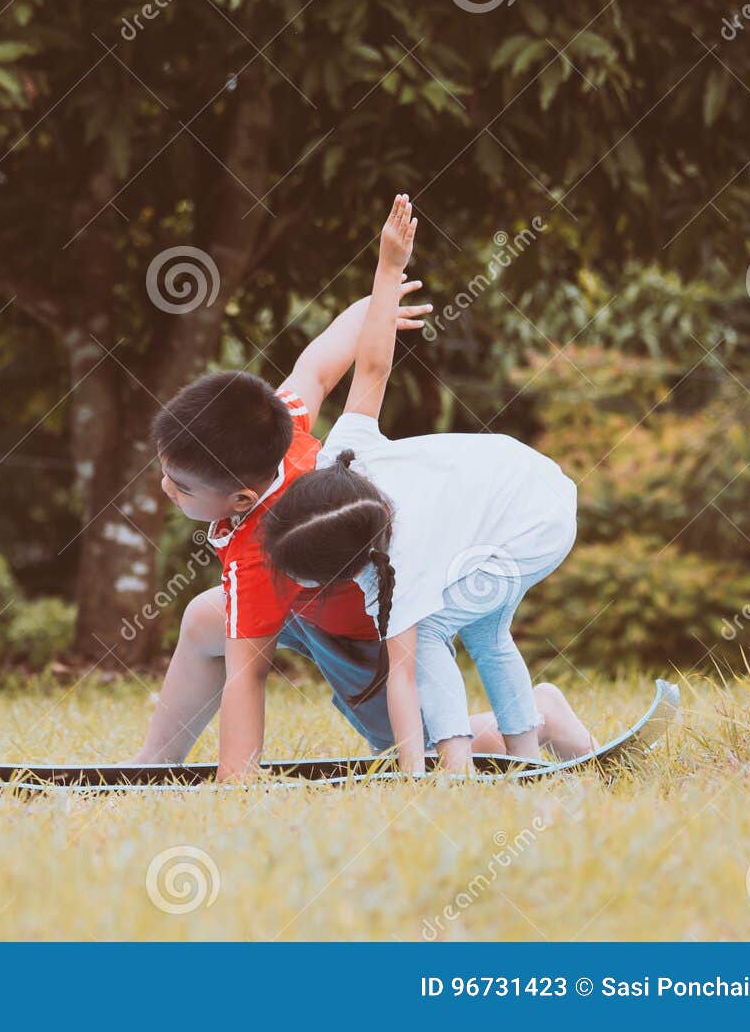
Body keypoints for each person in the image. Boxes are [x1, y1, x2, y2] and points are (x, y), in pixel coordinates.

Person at [261, 195, 594, 773]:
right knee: (488, 631)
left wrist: (419, 774)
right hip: (523, 483)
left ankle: (458, 769)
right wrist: (388, 266)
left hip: (530, 518)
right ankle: (526, 756)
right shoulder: (343, 458)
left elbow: (408, 673)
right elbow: (372, 368)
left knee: (436, 629)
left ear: (349, 567)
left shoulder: (403, 564)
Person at [129, 205, 433, 777]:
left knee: (418, 749)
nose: (166, 488)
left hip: (367, 631)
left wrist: (235, 781)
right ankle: (153, 761)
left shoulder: (256, 552)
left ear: (242, 500)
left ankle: (538, 713)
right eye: (166, 471)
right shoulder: (280, 430)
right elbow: (318, 367)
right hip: (309, 606)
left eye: (183, 486)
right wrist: (375, 306)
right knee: (203, 619)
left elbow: (248, 675)